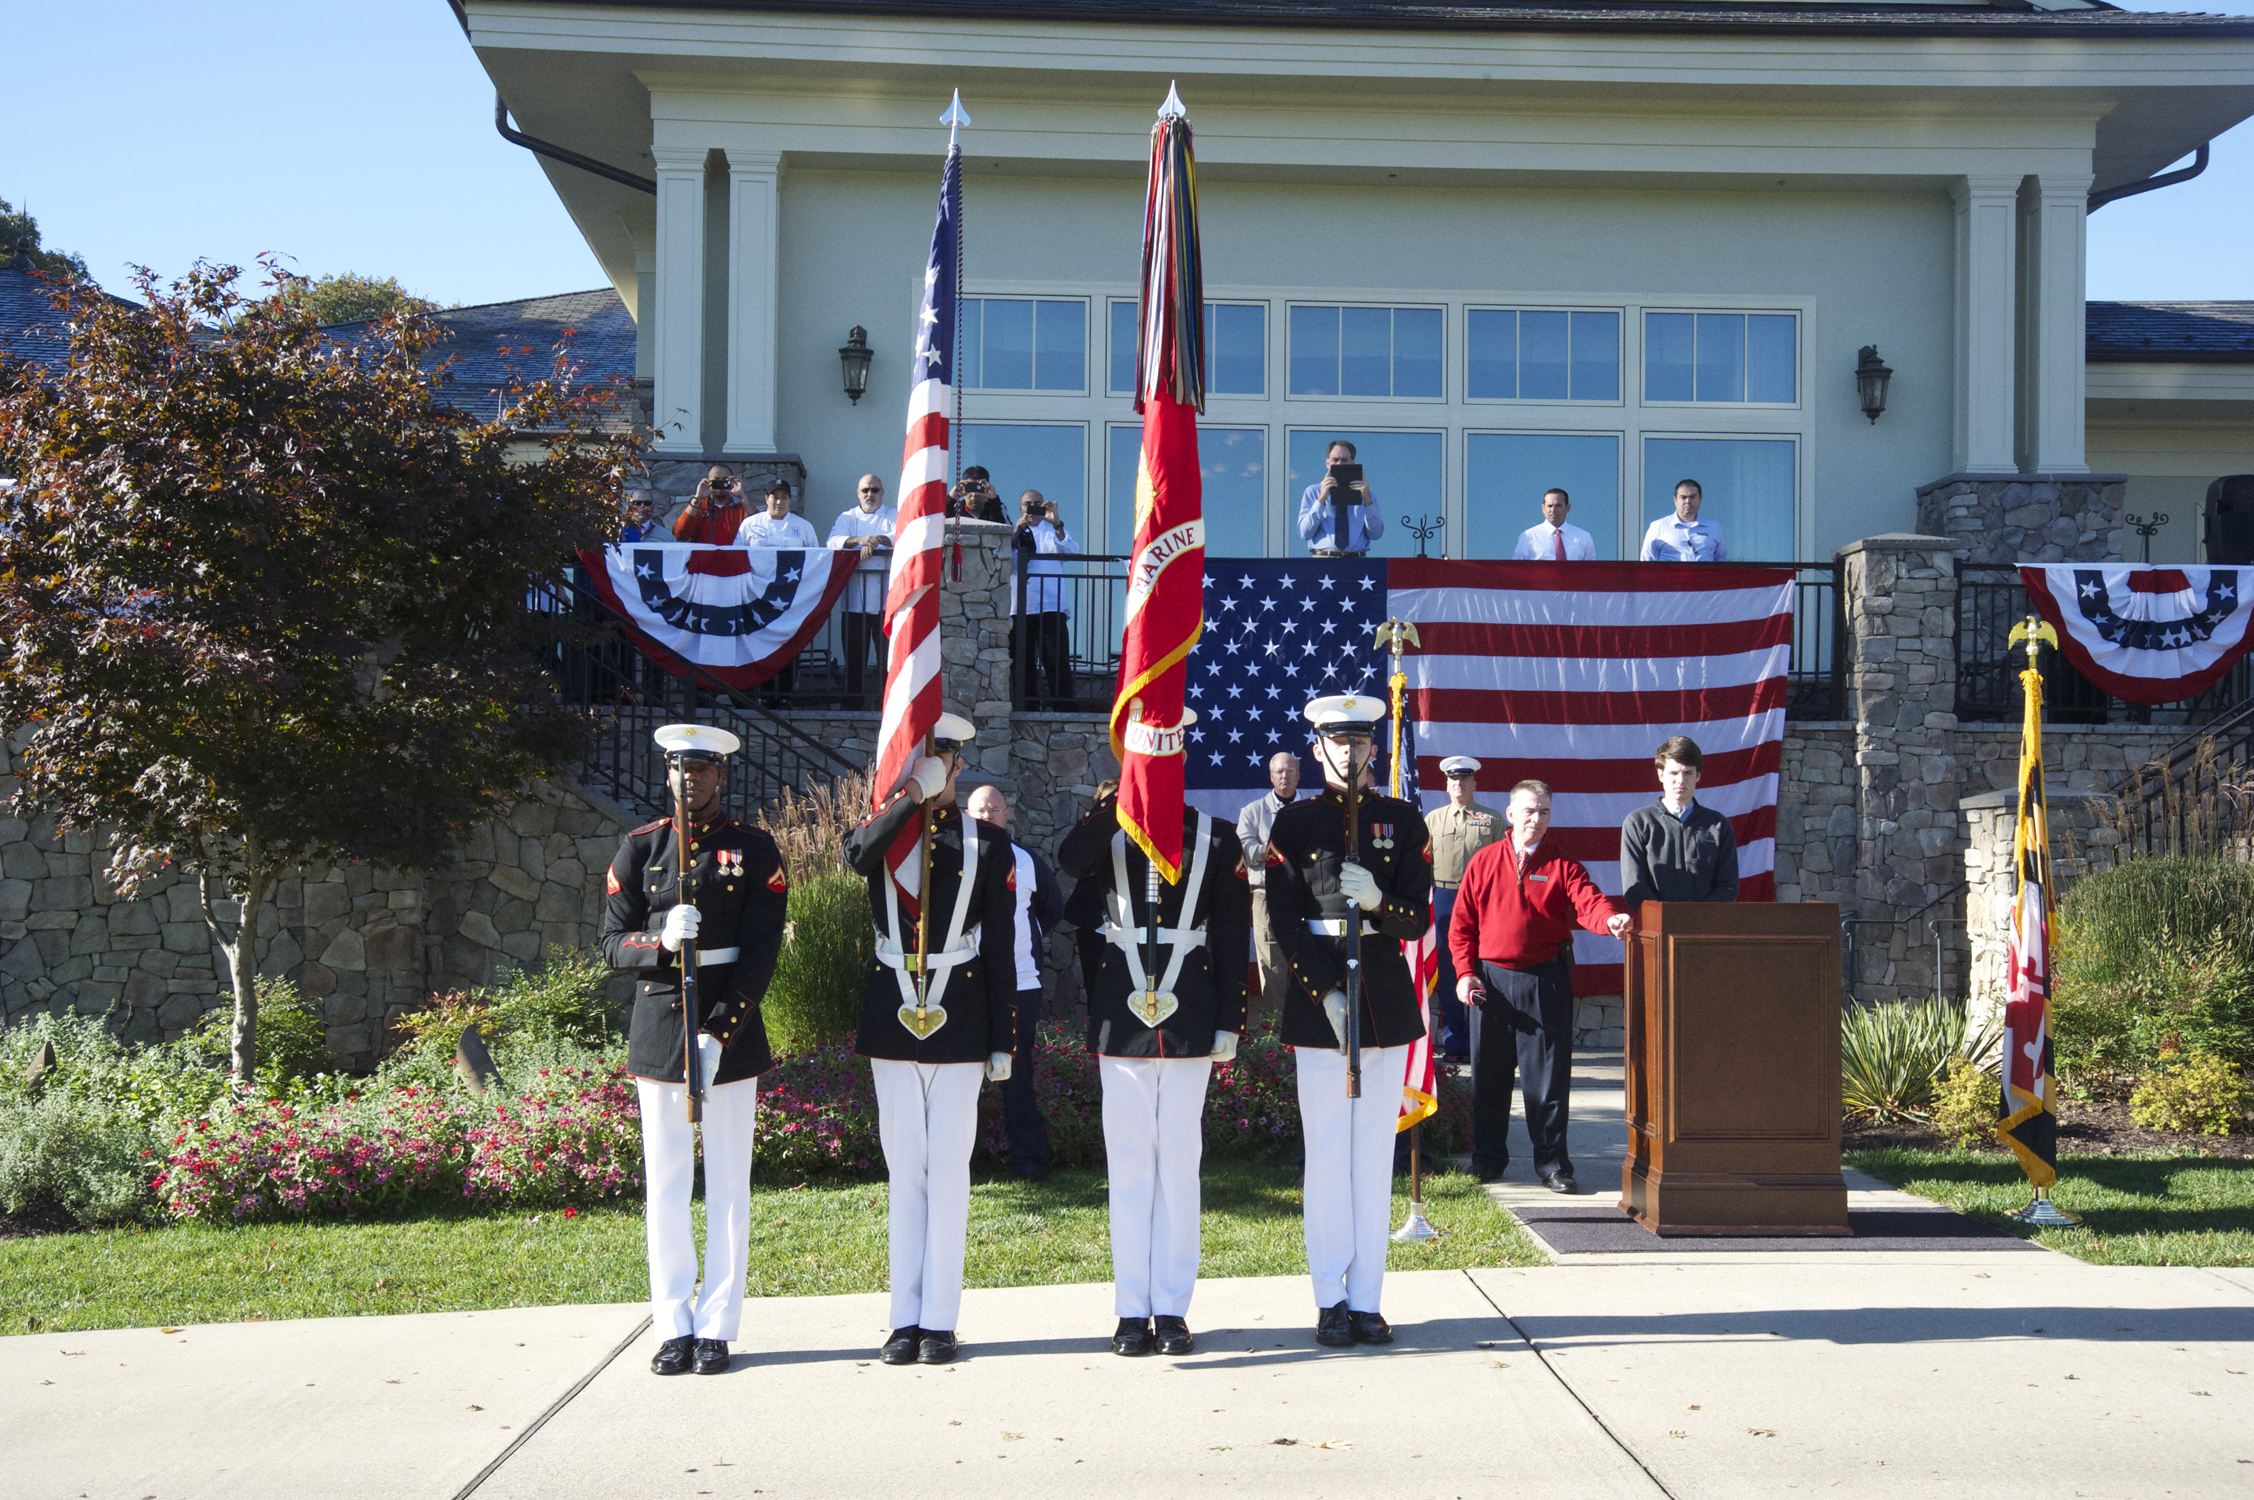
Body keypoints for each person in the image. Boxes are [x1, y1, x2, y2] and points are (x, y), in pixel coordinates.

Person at [600, 723, 789, 1378]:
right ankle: (673, 1323)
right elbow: (609, 944)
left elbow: (761, 954)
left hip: (727, 1038)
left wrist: (719, 1031)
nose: (693, 781)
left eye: (704, 771)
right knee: (667, 1184)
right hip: (659, 1034)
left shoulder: (753, 850)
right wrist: (659, 941)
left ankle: (718, 1326)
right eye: (682, 770)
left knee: (730, 1184)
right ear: (668, 774)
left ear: (721, 777)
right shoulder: (641, 848)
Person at [842, 714, 1018, 1367]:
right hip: (894, 1014)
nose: (939, 766)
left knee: (948, 1171)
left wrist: (1004, 1037)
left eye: (946, 758)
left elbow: (999, 947)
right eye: (926, 755)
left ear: (962, 766)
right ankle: (902, 1317)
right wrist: (910, 796)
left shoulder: (988, 845)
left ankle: (939, 1319)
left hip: (962, 1016)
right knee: (903, 1172)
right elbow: (856, 855)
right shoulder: (884, 833)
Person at [1057, 783, 1250, 1358]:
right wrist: (1112, 806)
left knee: (1179, 1165)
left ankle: (1171, 1308)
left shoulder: (1214, 836)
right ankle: (1130, 1308)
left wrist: (1230, 1020)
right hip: (1122, 1011)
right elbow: (1072, 861)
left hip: (1190, 1009)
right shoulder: (1111, 826)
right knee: (1130, 1166)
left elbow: (1234, 930)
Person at [1264, 693, 1431, 1348]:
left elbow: (1418, 919)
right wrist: (1328, 994)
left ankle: (1367, 1299)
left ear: (1372, 747)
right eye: (1337, 741)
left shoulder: (1401, 819)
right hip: (1321, 1008)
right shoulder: (1296, 827)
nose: (1350, 751)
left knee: (1372, 1161)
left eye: (1360, 741)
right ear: (1317, 748)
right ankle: (1329, 1296)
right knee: (1329, 1158)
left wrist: (1381, 901)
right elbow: (1282, 924)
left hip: (1385, 1005)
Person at [1449, 780, 1632, 1194]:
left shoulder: (1562, 863)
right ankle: (1489, 1160)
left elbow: (1589, 902)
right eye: (1529, 811)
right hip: (1491, 982)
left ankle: (1552, 1165)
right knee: (1489, 1077)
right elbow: (1461, 926)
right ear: (1509, 814)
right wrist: (1465, 973)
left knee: (1547, 1080)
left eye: (1544, 812)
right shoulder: (1483, 861)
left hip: (1544, 981)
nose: (1536, 819)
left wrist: (1610, 921)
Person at [968, 784, 1064, 1184]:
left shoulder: (1026, 861)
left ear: (1007, 814)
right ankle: (958, 1163)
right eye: (979, 809)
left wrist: (1024, 936)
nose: (987, 815)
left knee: (1017, 1073)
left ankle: (1030, 1162)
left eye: (994, 809)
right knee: (961, 1078)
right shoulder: (956, 856)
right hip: (966, 985)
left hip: (1020, 985)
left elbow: (1052, 908)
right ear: (967, 814)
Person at [1424, 755, 1505, 1065]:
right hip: (1444, 896)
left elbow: (1503, 865)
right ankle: (1455, 1041)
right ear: (1446, 784)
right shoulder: (1433, 820)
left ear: (1474, 783)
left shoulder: (1493, 819)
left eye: (1464, 779)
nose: (1458, 784)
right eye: (1453, 779)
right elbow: (1422, 863)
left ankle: (1482, 1039)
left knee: (1482, 966)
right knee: (1449, 969)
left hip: (1482, 899)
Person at [1620, 735, 1740, 912]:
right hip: (1655, 930)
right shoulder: (1638, 822)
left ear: (1698, 775)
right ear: (1660, 774)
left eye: (1688, 773)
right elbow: (1634, 886)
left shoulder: (1718, 825)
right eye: (1674, 773)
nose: (1681, 780)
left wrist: (1696, 917)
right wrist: (1665, 917)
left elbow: (1728, 886)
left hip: (1704, 929)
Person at [1234, 750, 1302, 1036]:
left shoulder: (1311, 808)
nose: (1284, 775)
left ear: (1298, 774)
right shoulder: (1252, 812)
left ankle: (1309, 1026)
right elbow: (1243, 847)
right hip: (1267, 894)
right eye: (1278, 771)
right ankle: (1280, 1032)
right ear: (1270, 776)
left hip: (1306, 896)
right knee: (1273, 963)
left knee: (1307, 955)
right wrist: (1267, 852)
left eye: (1289, 770)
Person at [826, 474, 896, 706]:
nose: (870, 495)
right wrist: (860, 540)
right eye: (865, 490)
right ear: (858, 493)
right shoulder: (848, 517)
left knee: (888, 659)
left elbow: (903, 535)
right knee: (855, 659)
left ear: (882, 492)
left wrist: (879, 540)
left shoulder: (892, 514)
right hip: (855, 602)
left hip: (887, 603)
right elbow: (833, 541)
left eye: (875, 490)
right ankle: (853, 705)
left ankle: (888, 705)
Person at [1012, 489, 1080, 709]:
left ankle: (1064, 709)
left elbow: (1071, 552)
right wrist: (1017, 530)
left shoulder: (1052, 532)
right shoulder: (1013, 533)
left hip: (1051, 605)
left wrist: (1057, 524)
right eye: (1027, 504)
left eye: (1037, 504)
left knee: (1057, 661)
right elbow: (1006, 562)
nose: (1032, 508)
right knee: (1022, 663)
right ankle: (1027, 708)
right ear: (1020, 508)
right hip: (1019, 607)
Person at [1296, 439, 1384, 558]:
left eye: (1344, 460)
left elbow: (1376, 534)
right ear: (1327, 463)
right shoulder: (1313, 492)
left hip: (1356, 562)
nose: (1339, 464)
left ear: (1352, 463)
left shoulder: (1366, 495)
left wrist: (1367, 501)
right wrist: (1321, 499)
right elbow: (1304, 533)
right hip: (1323, 560)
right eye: (1335, 460)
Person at [1640, 478, 1727, 562]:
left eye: (1693, 497)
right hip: (1669, 577)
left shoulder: (1714, 527)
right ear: (1675, 500)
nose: (1688, 501)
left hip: (1704, 577)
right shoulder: (1658, 527)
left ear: (1700, 499)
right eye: (1683, 497)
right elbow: (1647, 563)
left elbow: (1721, 562)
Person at [1512, 488, 1598, 562]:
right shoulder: (1529, 537)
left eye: (1558, 505)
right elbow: (1518, 570)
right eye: (1549, 506)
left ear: (1567, 507)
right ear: (1543, 508)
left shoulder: (1583, 537)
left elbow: (1591, 572)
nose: (1553, 510)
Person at [735, 480, 820, 549]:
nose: (779, 502)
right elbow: (736, 554)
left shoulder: (804, 526)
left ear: (789, 500)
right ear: (766, 499)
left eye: (784, 497)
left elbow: (814, 558)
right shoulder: (750, 523)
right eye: (775, 497)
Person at [672, 465, 746, 545]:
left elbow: (757, 526)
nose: (720, 486)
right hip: (703, 556)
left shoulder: (740, 507)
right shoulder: (699, 507)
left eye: (725, 481)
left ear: (731, 482)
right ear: (708, 482)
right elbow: (680, 534)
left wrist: (742, 496)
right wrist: (698, 497)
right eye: (716, 481)